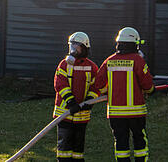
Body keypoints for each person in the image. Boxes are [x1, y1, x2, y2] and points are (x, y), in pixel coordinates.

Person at [94, 27, 155, 162]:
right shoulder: (138, 60)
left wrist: (109, 91)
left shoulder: (109, 61)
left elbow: (98, 84)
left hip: (116, 113)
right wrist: (151, 90)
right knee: (139, 139)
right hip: (136, 112)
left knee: (120, 142)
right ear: (134, 44)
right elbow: (147, 84)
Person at [53, 31, 100, 161]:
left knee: (78, 147)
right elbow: (60, 84)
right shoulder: (64, 64)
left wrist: (90, 101)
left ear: (84, 47)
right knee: (64, 146)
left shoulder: (92, 67)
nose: (73, 50)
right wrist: (71, 102)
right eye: (71, 46)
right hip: (64, 113)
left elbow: (96, 86)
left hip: (82, 115)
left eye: (76, 46)